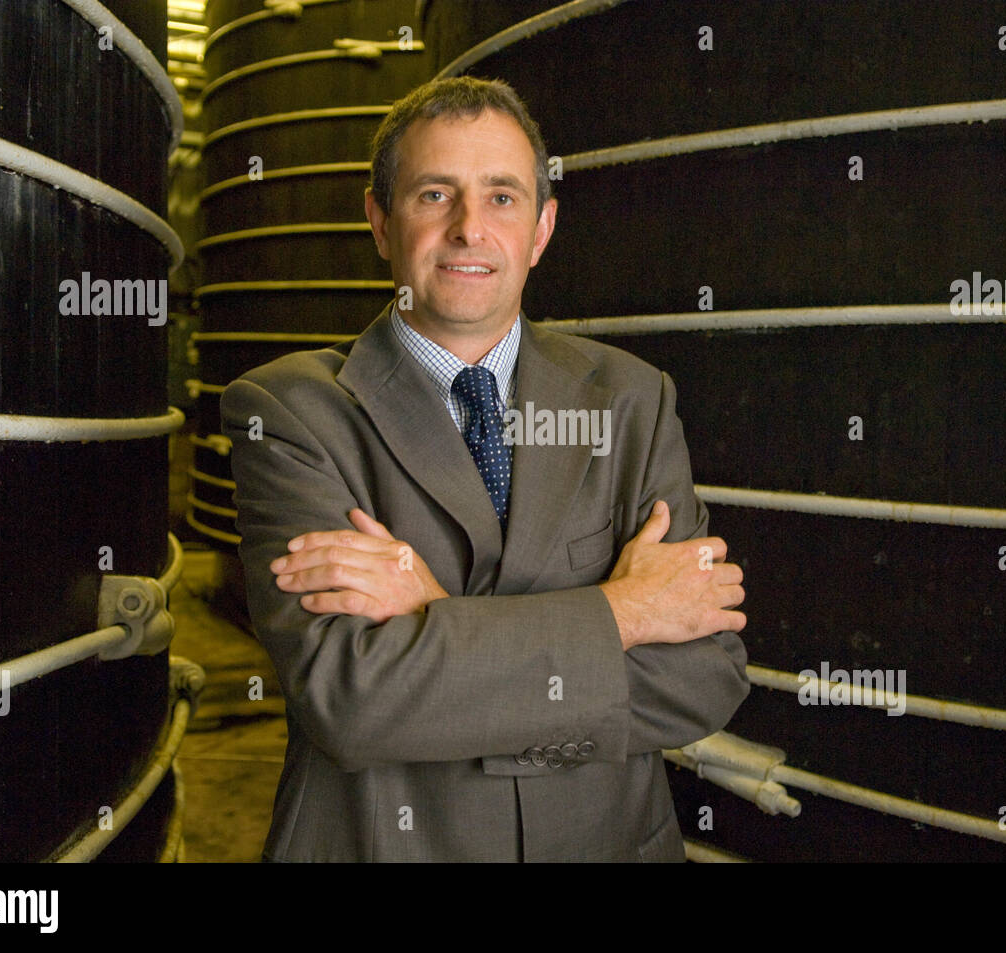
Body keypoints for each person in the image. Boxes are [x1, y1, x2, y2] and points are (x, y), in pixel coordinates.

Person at [220, 76, 749, 862]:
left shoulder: (632, 399)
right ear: (379, 219)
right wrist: (626, 613)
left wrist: (436, 627)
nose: (471, 228)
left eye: (503, 197)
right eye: (436, 194)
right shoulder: (291, 412)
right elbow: (353, 700)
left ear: (541, 228)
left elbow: (705, 677)